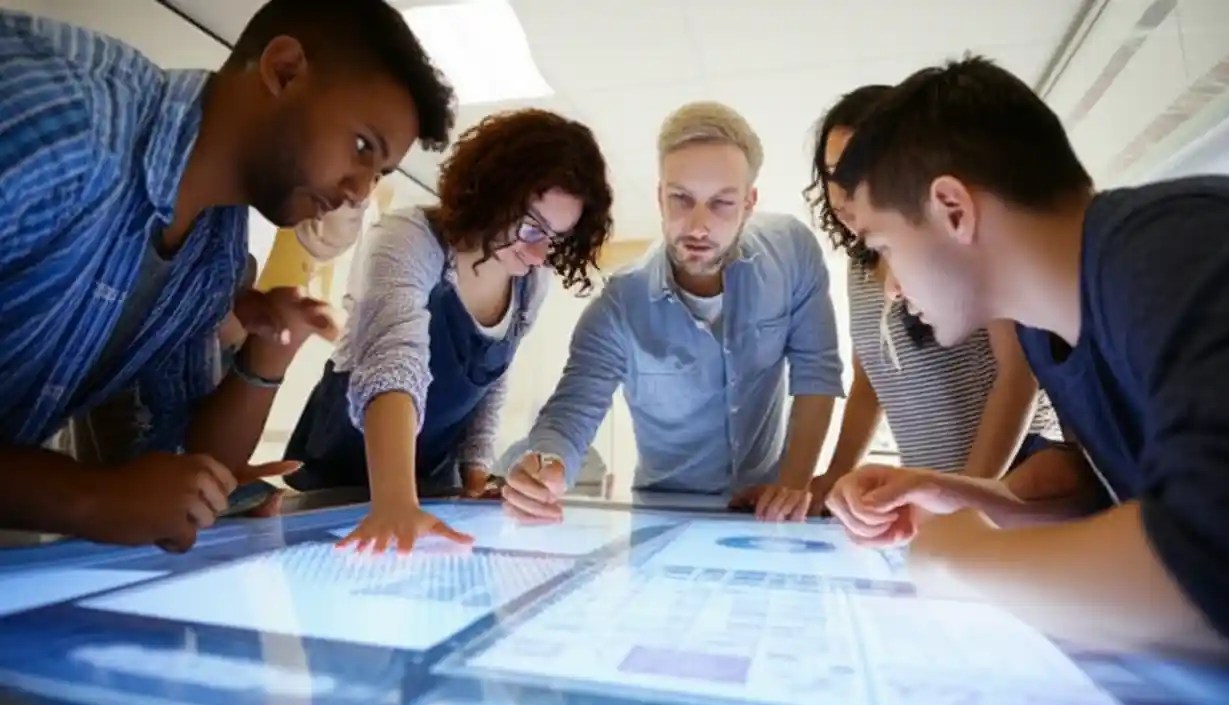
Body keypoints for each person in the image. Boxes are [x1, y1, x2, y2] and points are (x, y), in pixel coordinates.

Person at [825, 56, 1229, 680]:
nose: (895, 289)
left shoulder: (1177, 242)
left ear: (953, 209)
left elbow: (1227, 561)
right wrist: (955, 495)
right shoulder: (1048, 333)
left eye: (884, 246)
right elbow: (1106, 496)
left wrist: (965, 560)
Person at [0, 0, 455, 552]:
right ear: (283, 69)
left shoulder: (214, 261)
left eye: (378, 172)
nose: (359, 192)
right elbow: (109, 493)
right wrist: (87, 498)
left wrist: (267, 356)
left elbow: (185, 464)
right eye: (362, 147)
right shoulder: (69, 116)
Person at [286, 109, 614, 552]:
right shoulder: (409, 237)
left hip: (431, 483)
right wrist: (395, 501)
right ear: (495, 192)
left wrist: (476, 474)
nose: (539, 253)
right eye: (531, 226)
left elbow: (491, 381)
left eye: (555, 239)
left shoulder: (530, 282)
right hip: (335, 474)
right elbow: (394, 365)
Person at [503, 101, 844, 524]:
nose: (698, 226)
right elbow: (573, 410)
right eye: (682, 199)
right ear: (660, 197)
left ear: (749, 203)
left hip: (767, 507)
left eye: (721, 203)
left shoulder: (792, 252)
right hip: (664, 512)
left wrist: (792, 485)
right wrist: (547, 464)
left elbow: (818, 372)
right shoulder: (619, 306)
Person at [806, 86, 1060, 509]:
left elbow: (1019, 373)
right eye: (834, 173)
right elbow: (870, 381)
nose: (845, 192)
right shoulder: (858, 266)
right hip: (931, 485)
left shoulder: (960, 244)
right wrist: (835, 475)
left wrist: (969, 496)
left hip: (1017, 475)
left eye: (860, 170)